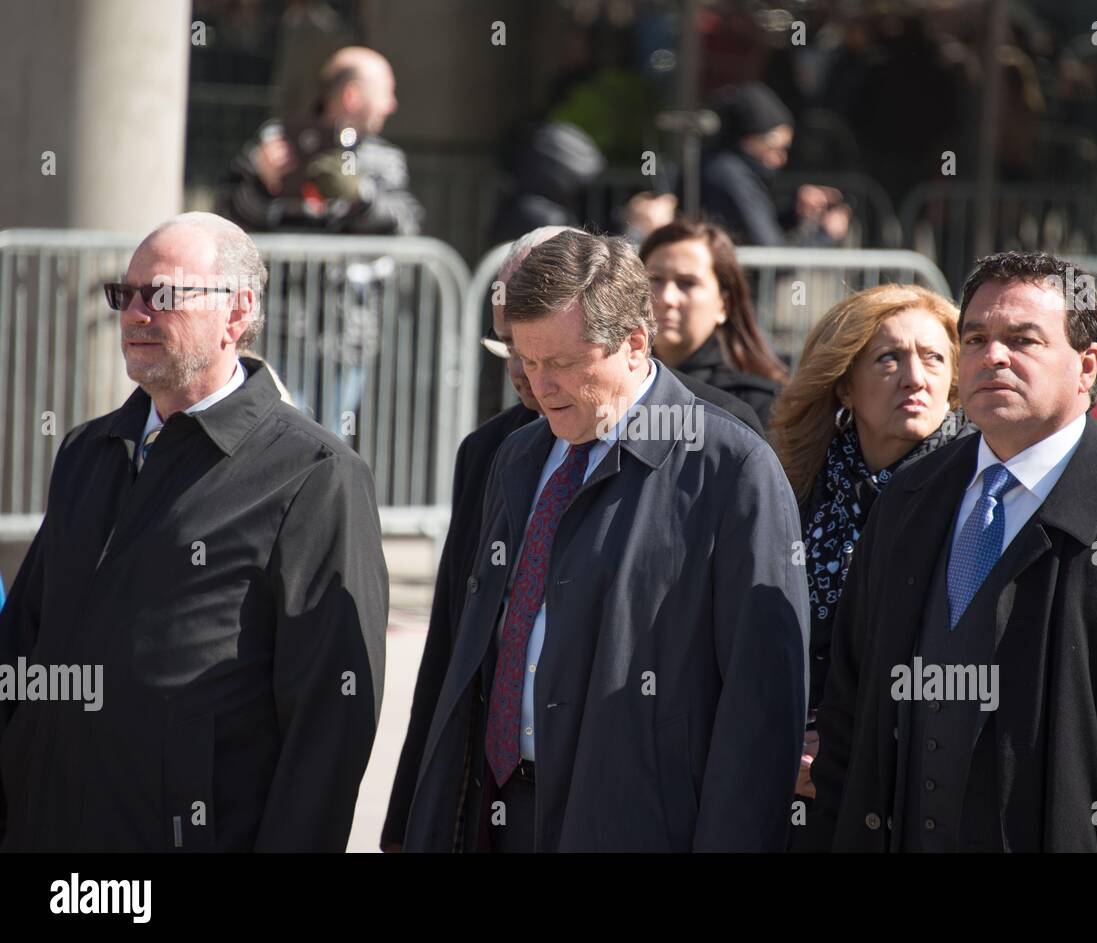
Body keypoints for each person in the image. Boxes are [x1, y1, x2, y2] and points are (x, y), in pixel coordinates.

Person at [803, 250, 1097, 852]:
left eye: (1022, 339)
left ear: (1087, 366)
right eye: (975, 338)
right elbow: (851, 724)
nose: (992, 356)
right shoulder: (909, 501)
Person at [402, 230, 808, 852]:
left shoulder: (730, 467)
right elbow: (465, 653)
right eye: (527, 362)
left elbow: (763, 706)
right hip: (502, 813)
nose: (540, 386)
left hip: (638, 823)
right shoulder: (518, 455)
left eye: (562, 363)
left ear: (635, 344)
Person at [0, 213, 388, 851]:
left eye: (164, 295)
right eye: (124, 295)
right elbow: (23, 642)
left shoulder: (313, 475)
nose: (135, 314)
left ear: (237, 313)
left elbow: (330, 720)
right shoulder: (89, 450)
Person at [769, 284, 973, 801]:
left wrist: (847, 744)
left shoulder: (977, 493)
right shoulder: (793, 487)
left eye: (933, 358)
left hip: (911, 780)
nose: (915, 378)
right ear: (844, 386)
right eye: (889, 359)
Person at [220, 46, 423, 236]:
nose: (391, 105)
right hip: (284, 272)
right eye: (386, 93)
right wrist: (261, 186)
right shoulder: (275, 138)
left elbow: (407, 225)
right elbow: (227, 223)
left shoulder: (384, 157)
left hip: (359, 274)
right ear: (352, 96)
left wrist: (361, 197)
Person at [641, 220, 787, 424]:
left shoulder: (759, 404)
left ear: (723, 305)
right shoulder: (614, 388)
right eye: (655, 279)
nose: (667, 298)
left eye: (687, 283)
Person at [699, 82, 851, 248]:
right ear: (750, 140)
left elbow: (757, 228)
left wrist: (793, 212)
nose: (781, 159)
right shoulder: (729, 174)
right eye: (776, 149)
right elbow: (770, 251)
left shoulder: (726, 168)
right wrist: (826, 234)